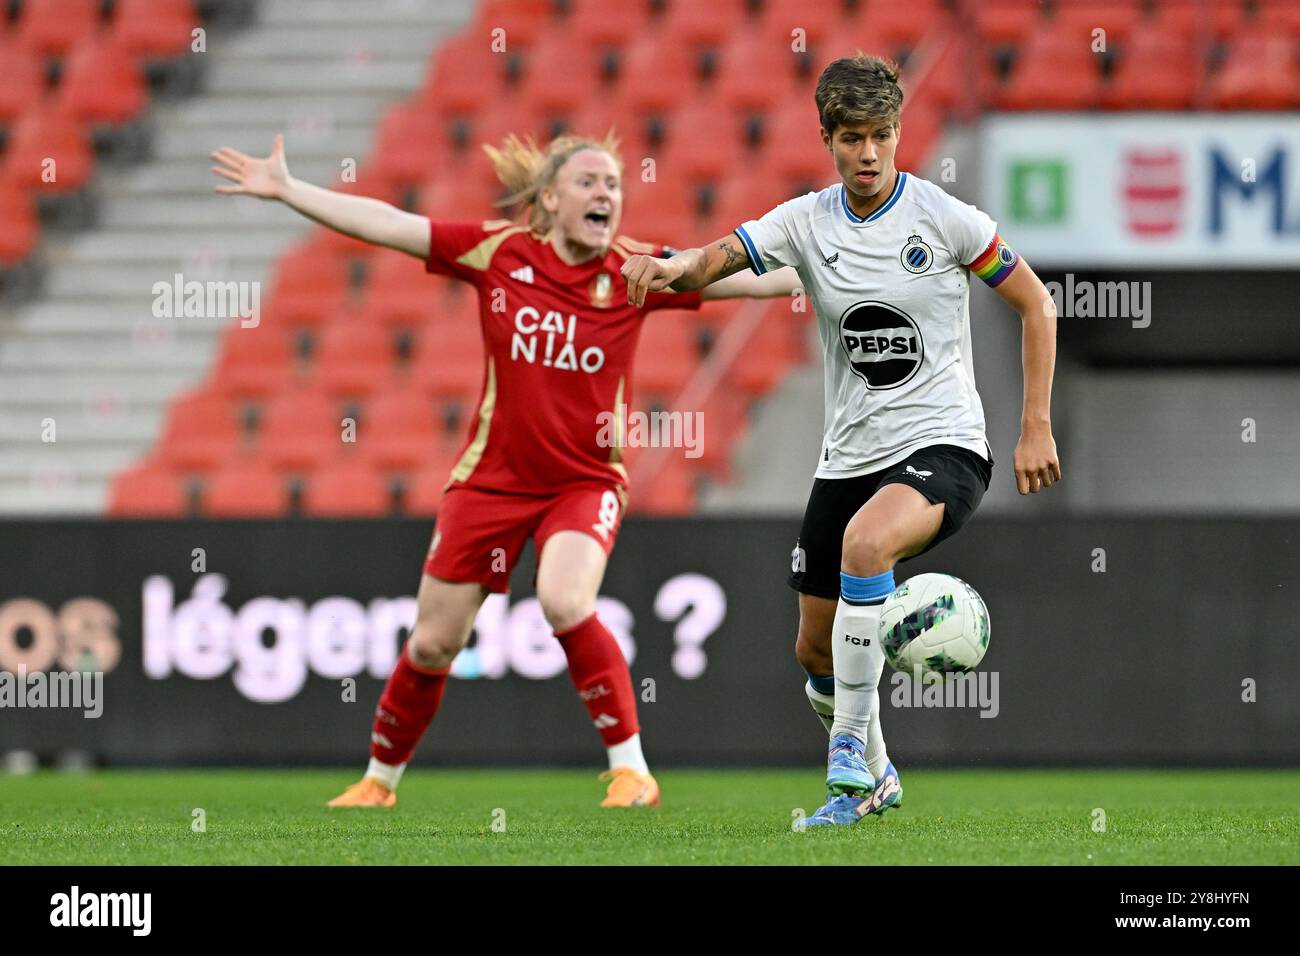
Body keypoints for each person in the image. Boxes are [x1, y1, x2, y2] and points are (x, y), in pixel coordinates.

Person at [211, 131, 798, 808]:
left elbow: (755, 278)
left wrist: (838, 262)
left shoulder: (635, 270)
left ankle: (632, 771)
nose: (605, 193)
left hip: (584, 481)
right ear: (549, 199)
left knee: (565, 600)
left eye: (613, 183)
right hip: (491, 481)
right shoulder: (499, 252)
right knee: (433, 643)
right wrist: (290, 190)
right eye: (587, 182)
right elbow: (391, 224)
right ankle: (378, 782)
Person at [622, 54, 1061, 826]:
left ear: (899, 134)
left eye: (881, 135)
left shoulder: (945, 219)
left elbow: (1037, 303)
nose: (868, 152)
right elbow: (714, 261)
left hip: (945, 444)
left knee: (867, 546)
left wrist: (1034, 424)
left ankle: (847, 760)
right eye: (852, 137)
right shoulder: (806, 221)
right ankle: (879, 775)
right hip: (849, 457)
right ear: (827, 139)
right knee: (816, 652)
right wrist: (673, 265)